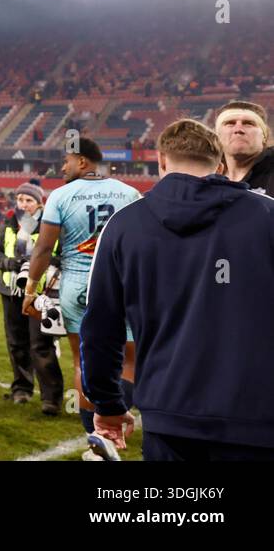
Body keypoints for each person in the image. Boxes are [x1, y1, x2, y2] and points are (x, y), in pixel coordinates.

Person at [82, 119, 274, 460]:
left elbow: (100, 328)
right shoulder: (266, 215)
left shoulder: (124, 226)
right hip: (257, 417)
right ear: (219, 165)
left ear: (161, 160)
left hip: (169, 416)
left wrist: (109, 404)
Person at [23, 136, 140, 460]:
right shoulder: (129, 193)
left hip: (78, 286)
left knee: (82, 361)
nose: (63, 167)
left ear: (83, 162)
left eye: (66, 161)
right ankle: (111, 427)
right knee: (129, 359)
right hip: (120, 283)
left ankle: (95, 438)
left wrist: (31, 289)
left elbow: (44, 249)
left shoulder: (61, 195)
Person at [0, 181, 62, 414]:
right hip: (11, 292)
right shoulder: (6, 225)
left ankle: (51, 398)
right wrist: (12, 264)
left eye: (28, 200)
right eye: (20, 199)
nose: (23, 204)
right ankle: (21, 389)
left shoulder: (52, 226)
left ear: (39, 203)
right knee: (17, 344)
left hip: (41, 294)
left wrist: (39, 266)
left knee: (41, 344)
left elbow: (61, 255)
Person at [214, 100, 274, 195]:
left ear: (264, 135)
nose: (238, 129)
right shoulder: (204, 178)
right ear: (217, 135)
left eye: (248, 123)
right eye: (230, 123)